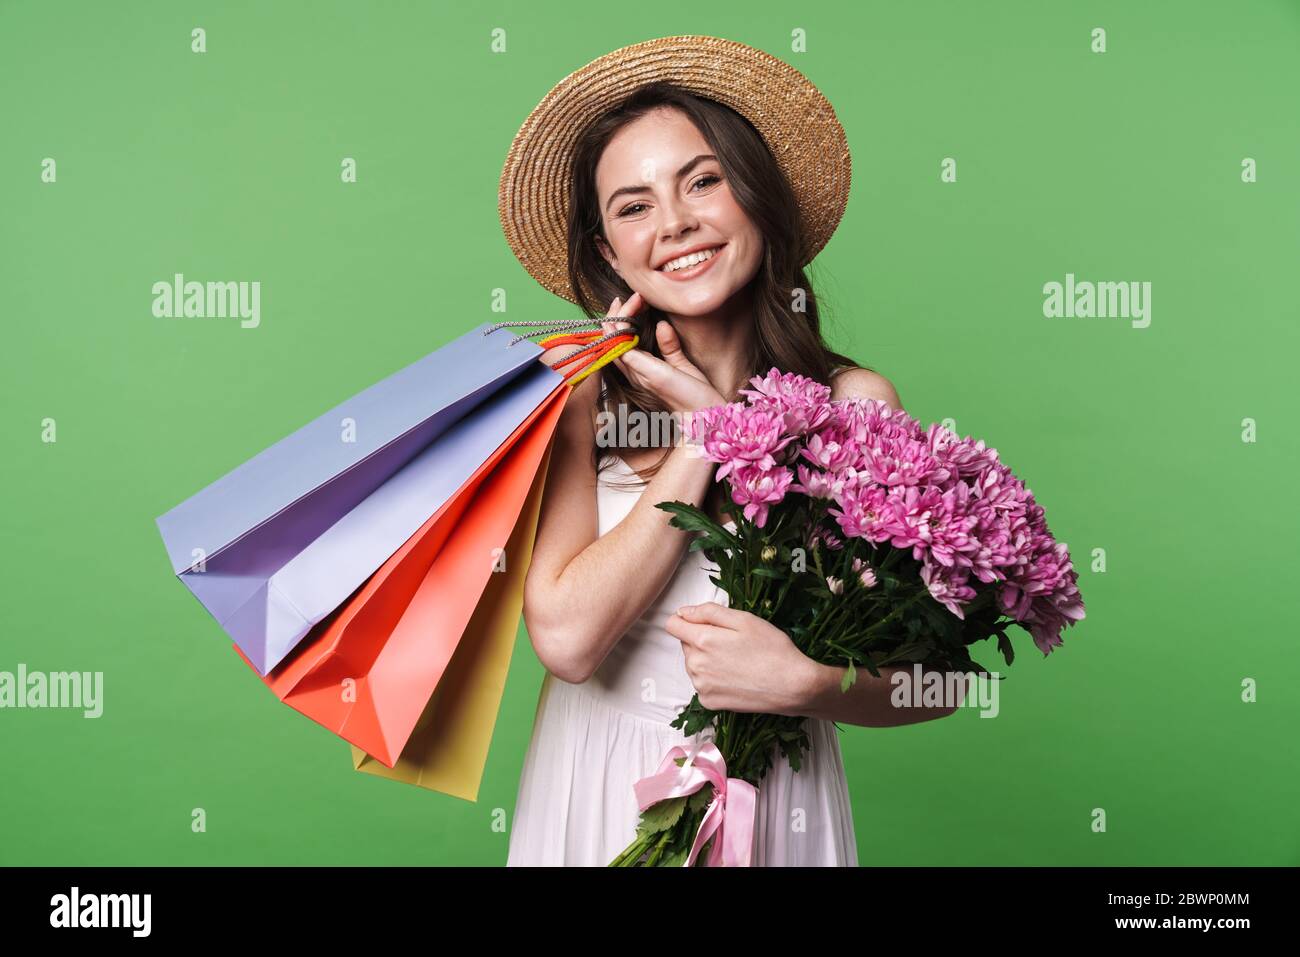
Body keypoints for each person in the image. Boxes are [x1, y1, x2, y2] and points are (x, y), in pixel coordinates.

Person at [496, 36, 952, 867]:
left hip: (779, 808)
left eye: (702, 181)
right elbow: (566, 641)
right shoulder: (578, 403)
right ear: (609, 252)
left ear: (756, 197)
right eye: (632, 206)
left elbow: (944, 681)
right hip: (593, 795)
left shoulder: (854, 408)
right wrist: (709, 435)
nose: (675, 224)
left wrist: (809, 684)